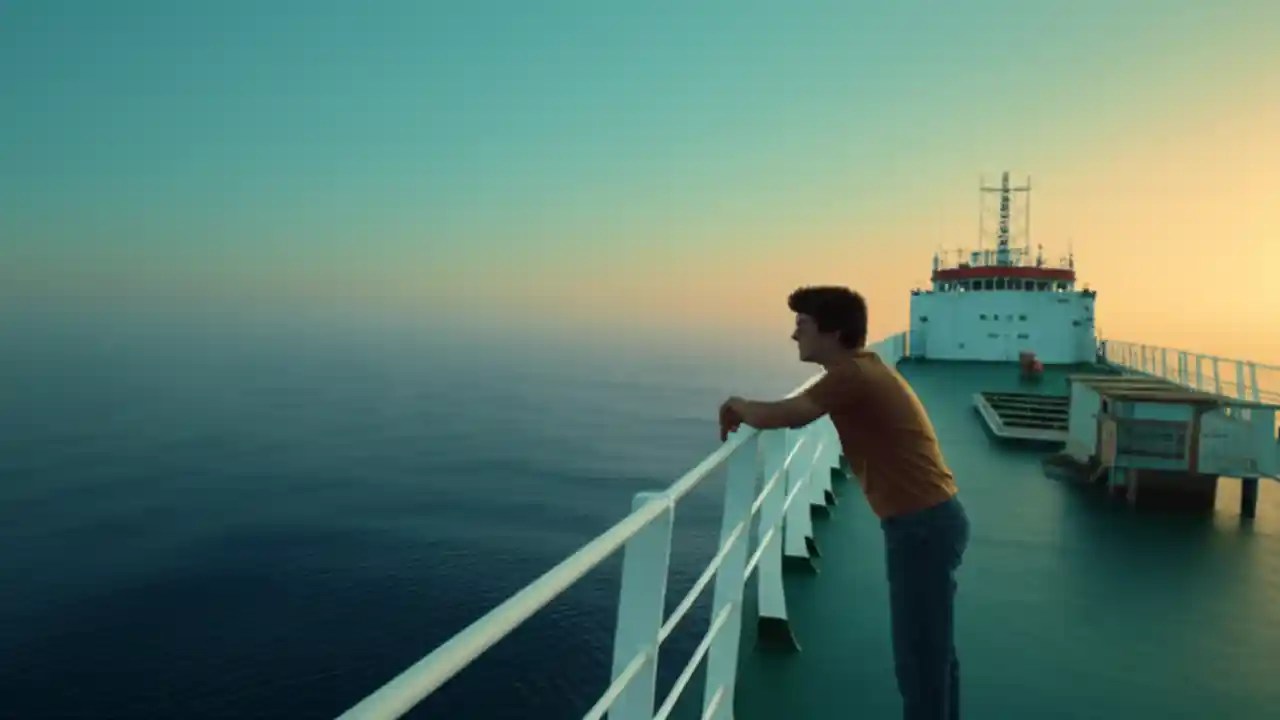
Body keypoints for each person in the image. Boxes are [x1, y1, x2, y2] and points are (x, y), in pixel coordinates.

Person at [719, 285, 969, 720]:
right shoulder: (861, 369)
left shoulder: (851, 376)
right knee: (933, 652)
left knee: (919, 658)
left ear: (832, 332)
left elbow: (789, 415)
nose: (794, 336)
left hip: (921, 526)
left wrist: (737, 404)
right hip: (931, 519)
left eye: (802, 326)